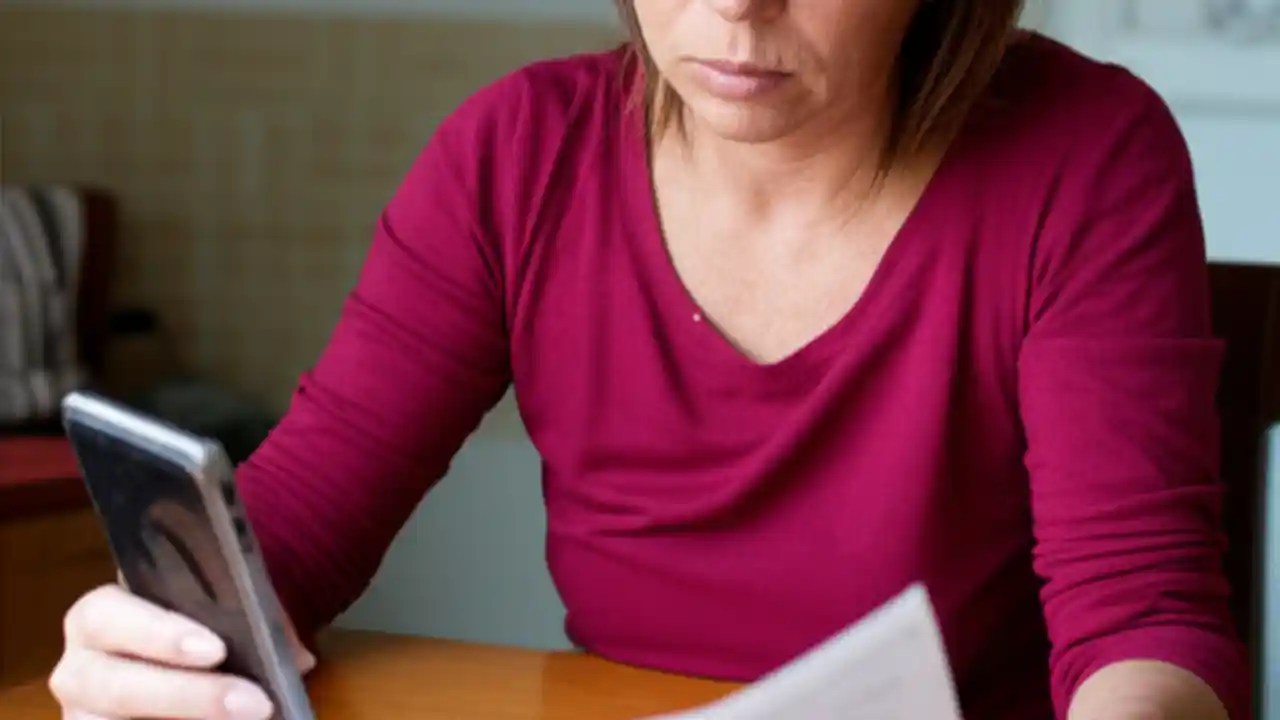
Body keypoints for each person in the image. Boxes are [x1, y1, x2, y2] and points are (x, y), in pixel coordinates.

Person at [49, 1, 1249, 719]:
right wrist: (154, 637)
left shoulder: (1085, 155)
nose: (735, 4)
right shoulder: (513, 156)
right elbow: (296, 527)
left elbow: (1138, 616)